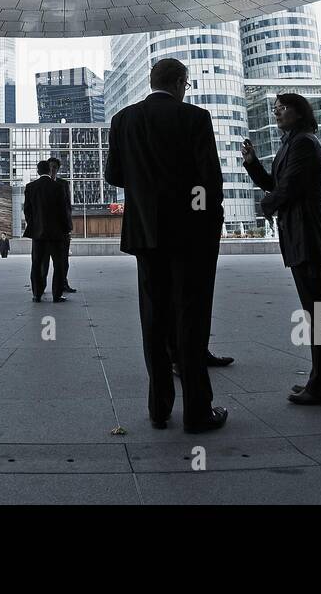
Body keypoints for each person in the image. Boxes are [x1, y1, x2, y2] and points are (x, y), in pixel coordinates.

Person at [104, 58, 227, 434]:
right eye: (186, 85)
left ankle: (159, 408)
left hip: (146, 234)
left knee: (153, 319)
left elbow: (114, 175)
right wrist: (203, 216)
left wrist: (147, 188)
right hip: (190, 235)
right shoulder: (195, 117)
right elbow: (208, 180)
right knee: (191, 318)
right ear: (178, 83)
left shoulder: (124, 119)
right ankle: (197, 412)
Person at [242, 93, 321, 406]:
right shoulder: (292, 142)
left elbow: (288, 188)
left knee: (316, 310)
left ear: (299, 112)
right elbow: (277, 183)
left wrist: (266, 206)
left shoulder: (303, 142)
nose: (276, 113)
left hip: (307, 233)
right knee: (315, 310)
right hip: (298, 233)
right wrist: (252, 164)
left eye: (282, 108)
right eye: (274, 109)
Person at [23, 160, 72, 302]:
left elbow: (27, 211)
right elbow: (64, 211)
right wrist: (66, 228)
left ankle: (37, 294)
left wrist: (34, 225)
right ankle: (57, 295)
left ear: (38, 171)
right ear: (49, 171)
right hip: (56, 234)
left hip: (38, 234)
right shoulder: (58, 187)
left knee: (37, 263)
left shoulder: (30, 187)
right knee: (58, 264)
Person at [46, 157, 77, 293]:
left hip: (61, 229)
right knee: (43, 262)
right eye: (50, 167)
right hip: (46, 229)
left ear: (58, 169)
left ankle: (63, 283)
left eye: (55, 167)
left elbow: (67, 207)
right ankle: (41, 287)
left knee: (64, 260)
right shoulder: (40, 184)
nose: (52, 169)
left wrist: (68, 227)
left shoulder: (63, 184)